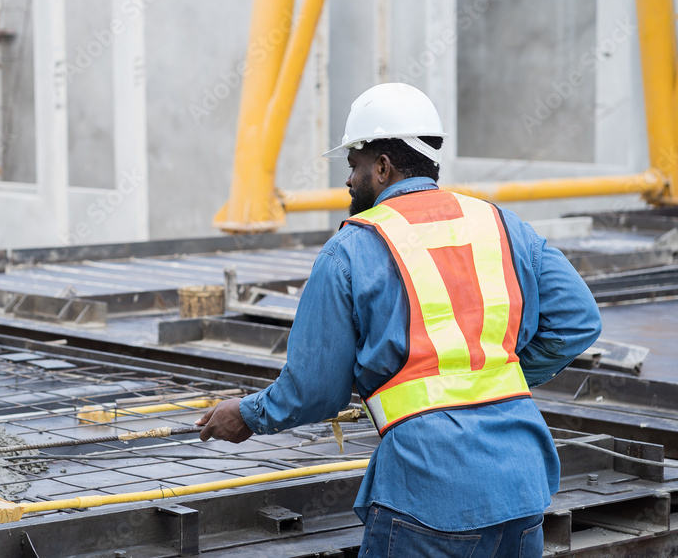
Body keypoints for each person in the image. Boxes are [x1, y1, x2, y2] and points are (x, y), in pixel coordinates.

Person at [196, 83, 601, 557]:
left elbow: (314, 391)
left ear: (383, 167)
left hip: (428, 492)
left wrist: (246, 415)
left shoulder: (350, 250)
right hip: (521, 485)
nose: (348, 181)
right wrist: (490, 376)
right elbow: (577, 320)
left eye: (354, 165)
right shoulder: (501, 224)